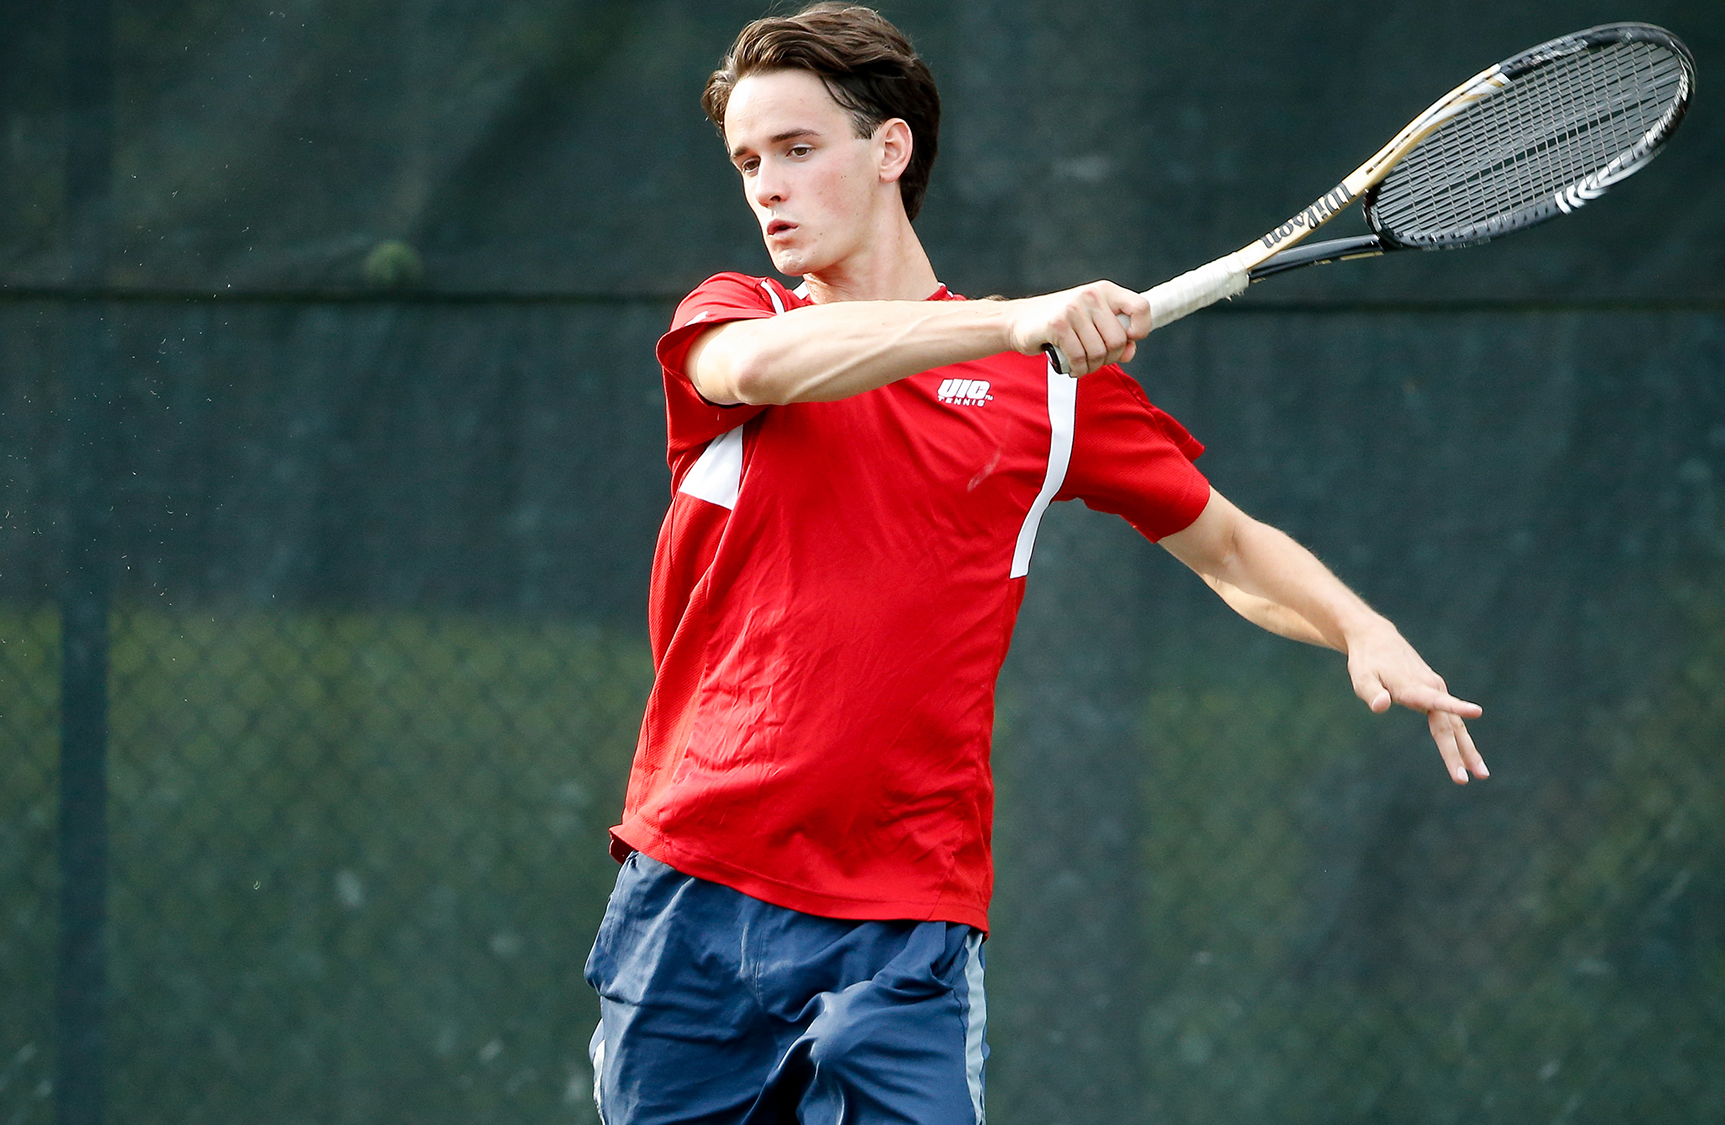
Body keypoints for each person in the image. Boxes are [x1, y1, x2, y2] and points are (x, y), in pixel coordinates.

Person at [585, 5, 1487, 1123]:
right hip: (694, 886)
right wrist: (1012, 322)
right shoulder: (739, 315)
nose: (767, 186)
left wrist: (1360, 626)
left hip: (904, 917)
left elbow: (1225, 543)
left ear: (889, 148)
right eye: (748, 161)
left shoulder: (1050, 392)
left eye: (797, 149)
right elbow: (764, 367)